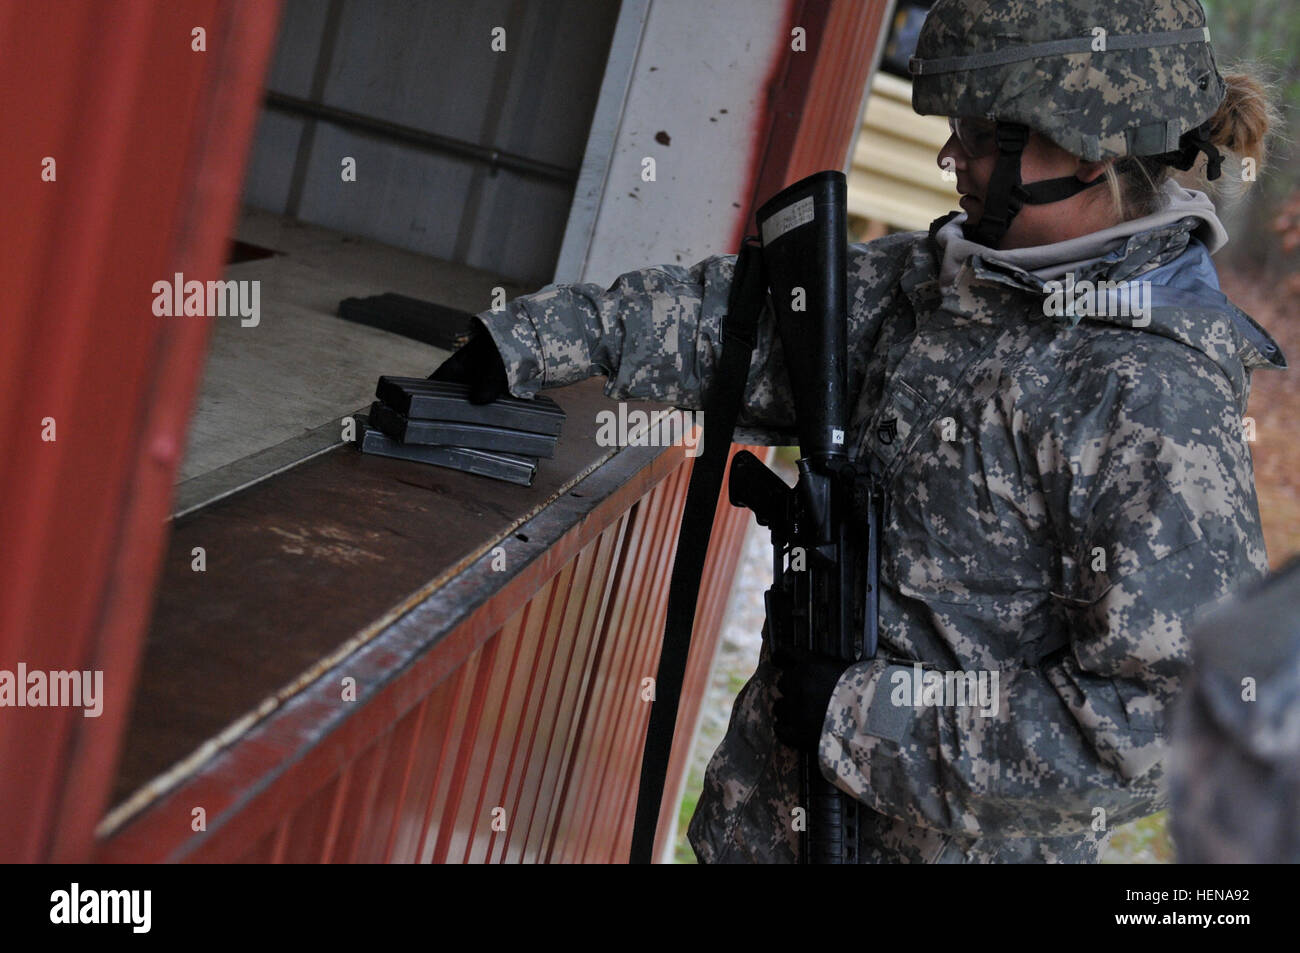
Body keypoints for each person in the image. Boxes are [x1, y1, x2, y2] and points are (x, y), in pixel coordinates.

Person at [431, 0, 1287, 862]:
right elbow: (740, 329)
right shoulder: (949, 280)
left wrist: (863, 714)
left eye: (986, 136)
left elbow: (1154, 727)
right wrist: (532, 340)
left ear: (1095, 146)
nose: (952, 156)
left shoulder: (1152, 392)